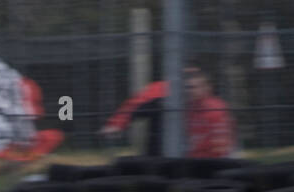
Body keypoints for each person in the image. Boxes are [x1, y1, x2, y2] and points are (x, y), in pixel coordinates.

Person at [100, 67, 237, 157]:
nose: (189, 91)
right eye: (186, 87)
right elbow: (135, 104)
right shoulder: (161, 91)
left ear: (207, 87)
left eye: (194, 87)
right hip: (162, 153)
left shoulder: (215, 107)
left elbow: (224, 141)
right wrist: (117, 124)